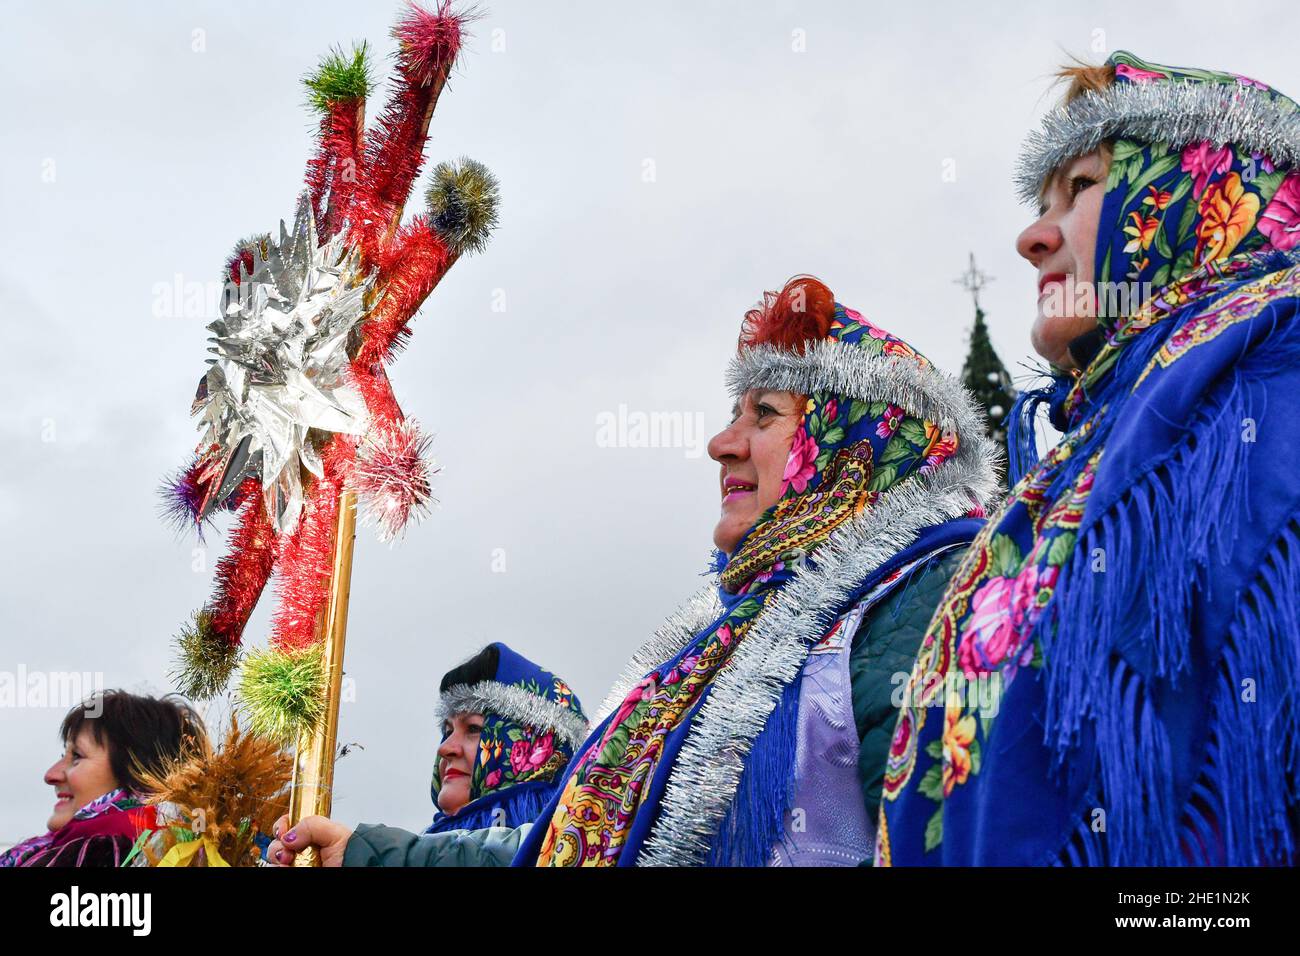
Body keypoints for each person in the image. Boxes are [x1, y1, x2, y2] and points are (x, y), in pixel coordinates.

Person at [268, 275, 1000, 866]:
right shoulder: (726, 647)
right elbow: (559, 852)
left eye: (765, 414)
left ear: (851, 444)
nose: (721, 443)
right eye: (731, 413)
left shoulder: (924, 606)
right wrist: (369, 855)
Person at [878, 52, 1300, 865]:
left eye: (1083, 188)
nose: (1033, 238)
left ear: (1191, 190)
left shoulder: (1275, 384)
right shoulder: (1078, 456)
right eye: (1044, 202)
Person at [1, 690, 207, 867]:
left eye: (77, 756)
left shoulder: (102, 855)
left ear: (139, 776)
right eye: (64, 755)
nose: (50, 775)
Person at [424, 642, 588, 833]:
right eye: (448, 731)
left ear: (535, 747)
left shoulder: (548, 844)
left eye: (473, 728)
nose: (444, 748)